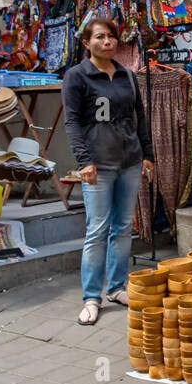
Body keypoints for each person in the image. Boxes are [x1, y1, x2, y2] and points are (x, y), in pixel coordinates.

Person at [61, 18, 153, 325]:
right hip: (98, 165)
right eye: (100, 37)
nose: (108, 42)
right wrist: (83, 160)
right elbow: (72, 122)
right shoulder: (77, 76)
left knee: (123, 226)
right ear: (86, 43)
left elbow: (139, 116)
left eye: (112, 37)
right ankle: (91, 297)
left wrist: (147, 154)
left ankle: (116, 287)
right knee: (97, 230)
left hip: (129, 160)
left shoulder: (127, 75)